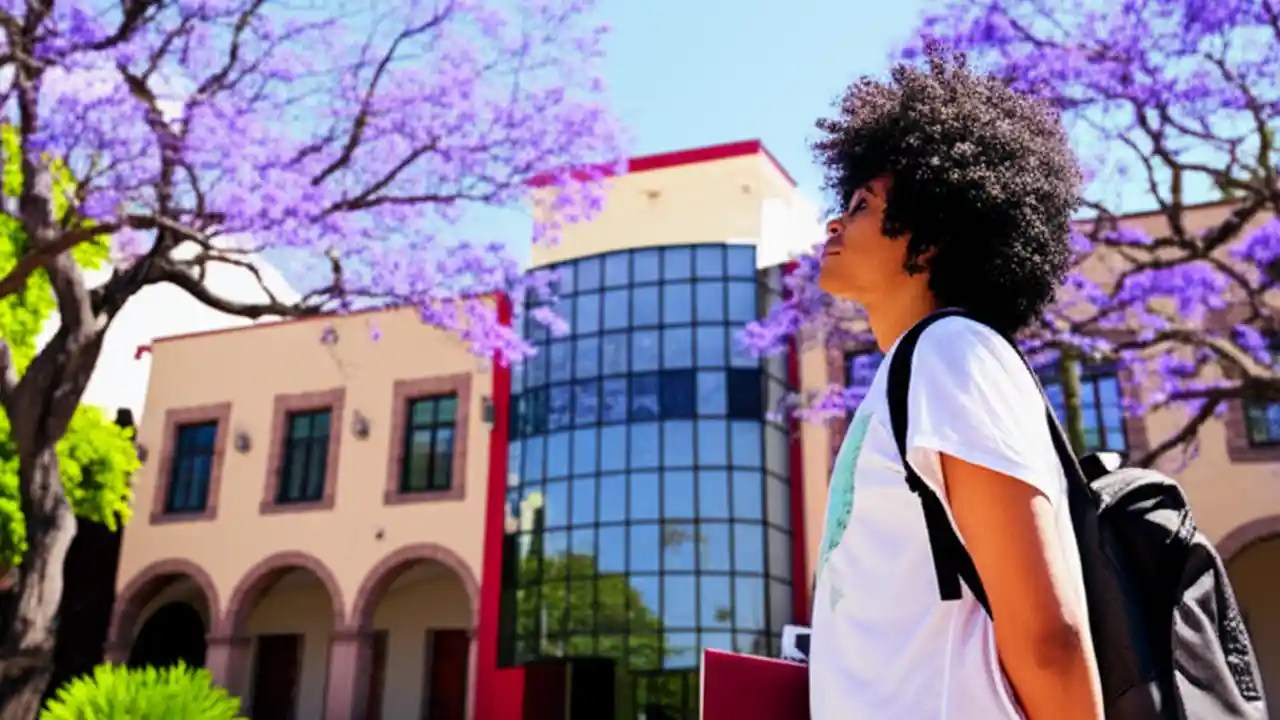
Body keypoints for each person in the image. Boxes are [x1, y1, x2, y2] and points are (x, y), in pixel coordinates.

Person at [808, 44, 1105, 720]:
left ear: (931, 235)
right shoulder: (910, 373)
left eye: (859, 203)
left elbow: (1048, 639)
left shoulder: (951, 355)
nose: (833, 219)